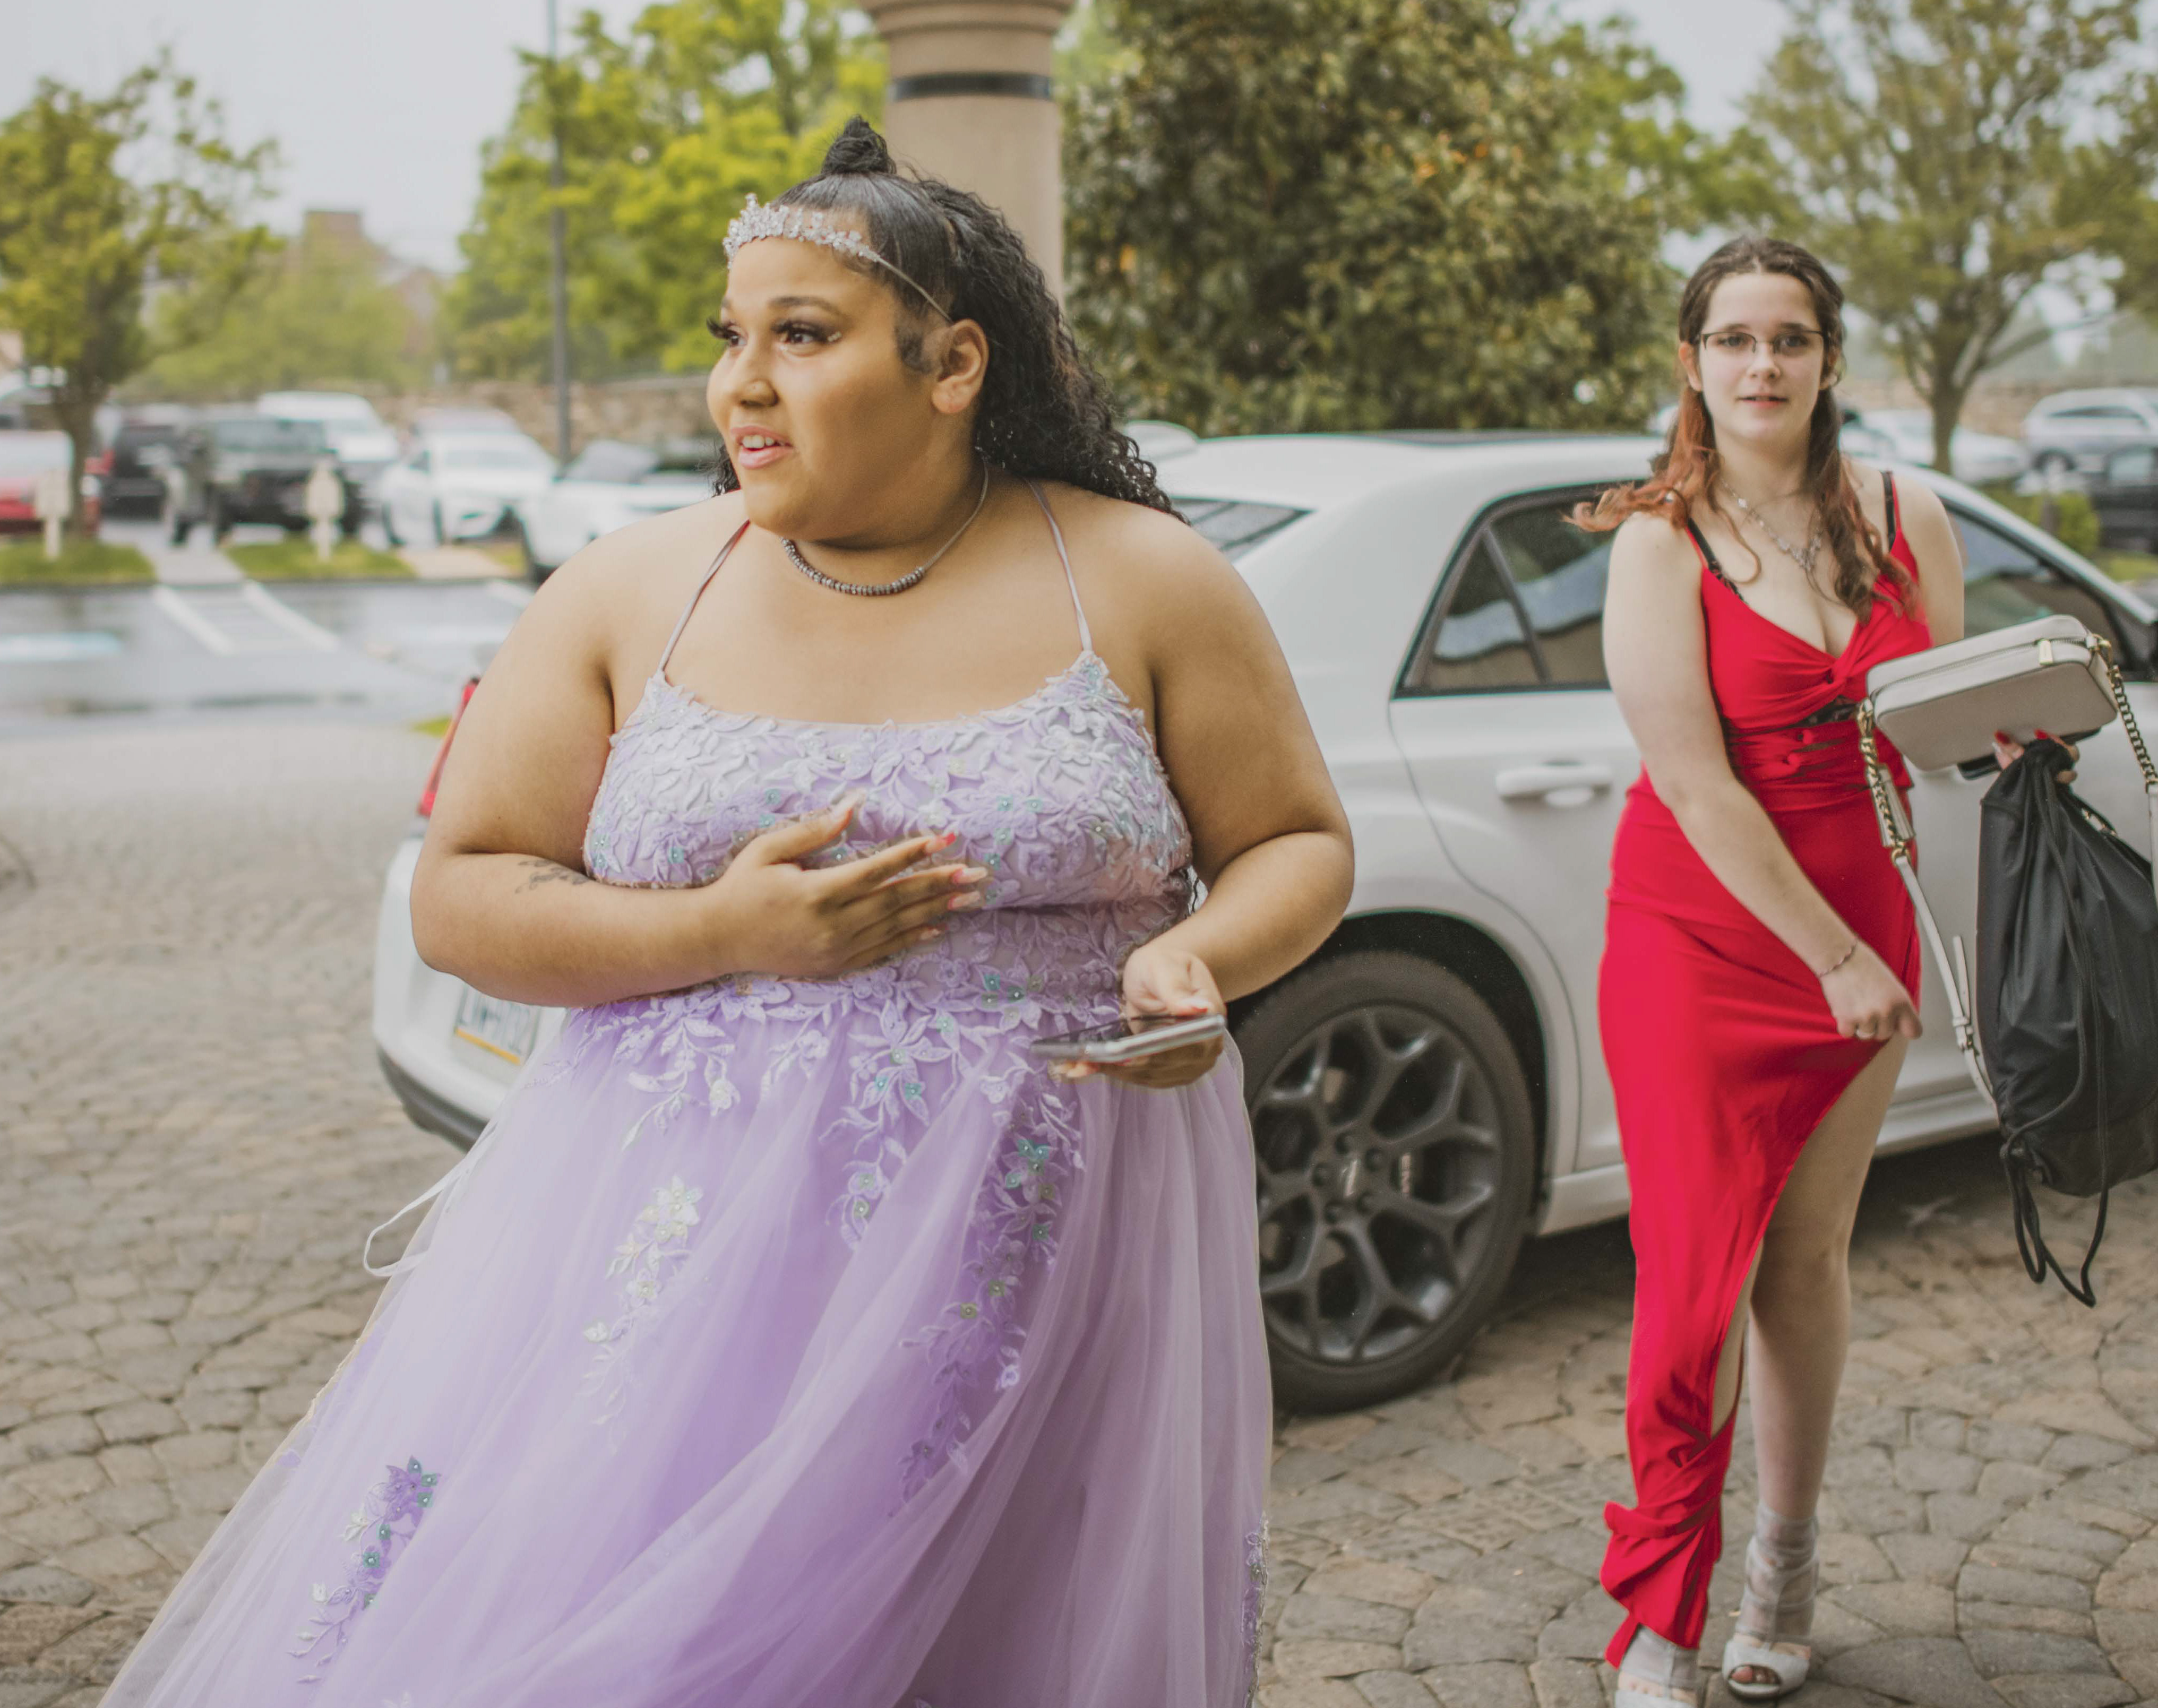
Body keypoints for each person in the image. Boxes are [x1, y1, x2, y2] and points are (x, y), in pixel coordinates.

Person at [102, 119, 1353, 1708]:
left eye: (802, 336)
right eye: (731, 339)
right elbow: (463, 893)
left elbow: (1298, 841)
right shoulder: (630, 587)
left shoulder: (1144, 578)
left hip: (1044, 1257)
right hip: (682, 1275)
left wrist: (1195, 957)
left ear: (952, 362)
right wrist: (723, 933)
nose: (739, 384)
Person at [1576, 236, 1966, 1705]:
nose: (1760, 365)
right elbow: (1693, 783)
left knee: (1804, 1260)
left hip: (1865, 913)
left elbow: (1927, 724)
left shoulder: (1900, 509)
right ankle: (1661, 1619)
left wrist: (2028, 720)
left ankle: (1782, 1569)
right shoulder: (1657, 541)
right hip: (1705, 931)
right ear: (1691, 361)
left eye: (1787, 338)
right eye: (1732, 339)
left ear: (1826, 359)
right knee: (1691, 1281)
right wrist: (1835, 957)